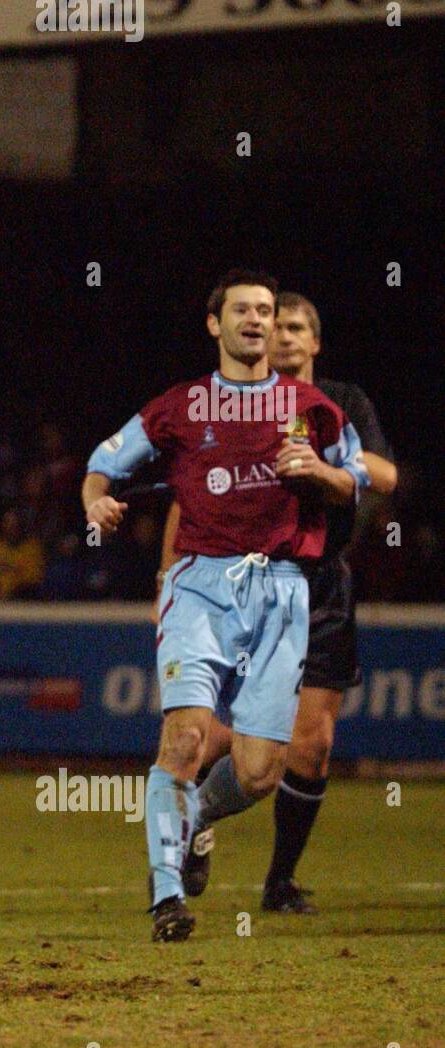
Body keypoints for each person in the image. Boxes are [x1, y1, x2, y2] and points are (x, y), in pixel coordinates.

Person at [82, 269, 369, 941]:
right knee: (183, 738)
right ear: (215, 325)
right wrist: (96, 496)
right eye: (242, 311)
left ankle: (196, 820)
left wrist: (319, 474)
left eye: (266, 312)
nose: (256, 321)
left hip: (282, 592)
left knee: (260, 771)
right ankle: (166, 899)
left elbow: (357, 480)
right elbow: (105, 458)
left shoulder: (313, 407)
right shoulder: (181, 406)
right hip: (200, 585)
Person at [158, 292, 397, 913]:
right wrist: (167, 582)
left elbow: (387, 476)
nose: (284, 335)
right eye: (277, 325)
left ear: (315, 342)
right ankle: (189, 822)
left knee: (311, 743)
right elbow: (188, 498)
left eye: (297, 327)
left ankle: (278, 881)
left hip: (322, 587)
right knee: (214, 736)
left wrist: (325, 465)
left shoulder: (341, 405)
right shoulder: (234, 404)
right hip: (239, 582)